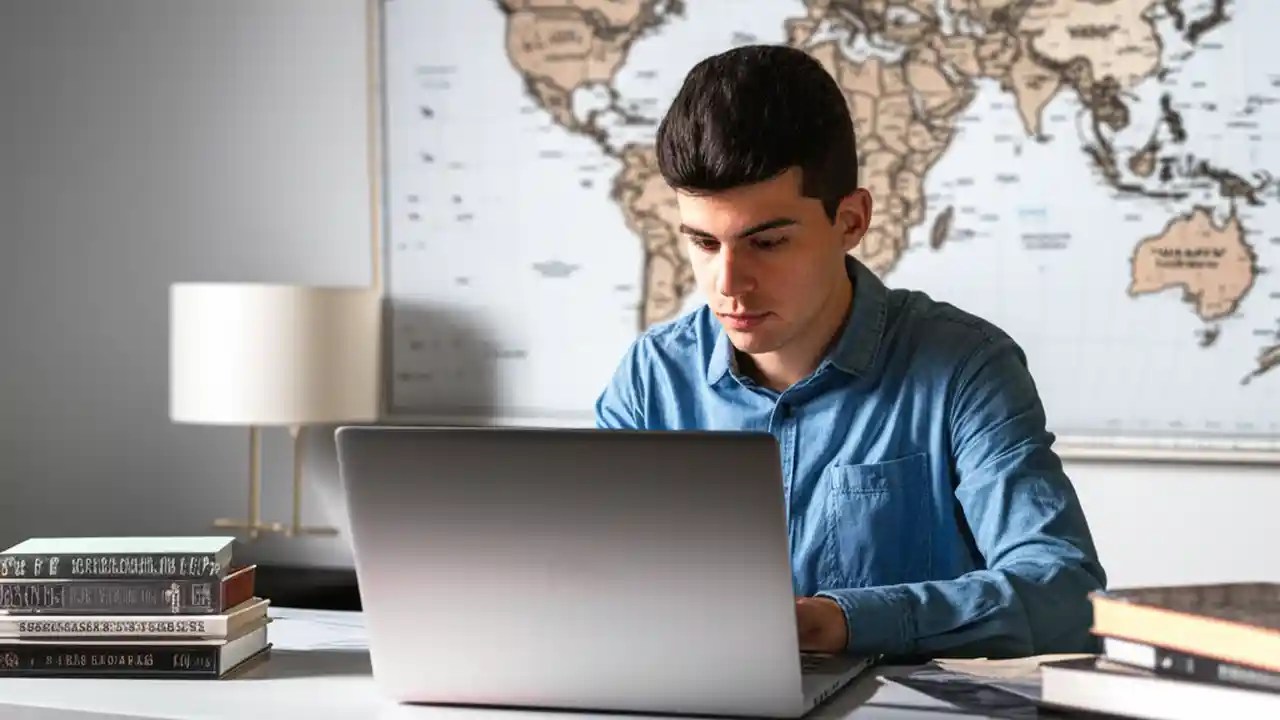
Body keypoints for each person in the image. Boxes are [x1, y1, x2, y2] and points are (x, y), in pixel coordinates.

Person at [594, 44, 1106, 660]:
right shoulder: (652, 379)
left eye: (769, 242)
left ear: (852, 220)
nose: (728, 283)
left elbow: (1065, 596)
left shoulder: (967, 370)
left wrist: (842, 622)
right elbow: (587, 581)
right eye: (704, 243)